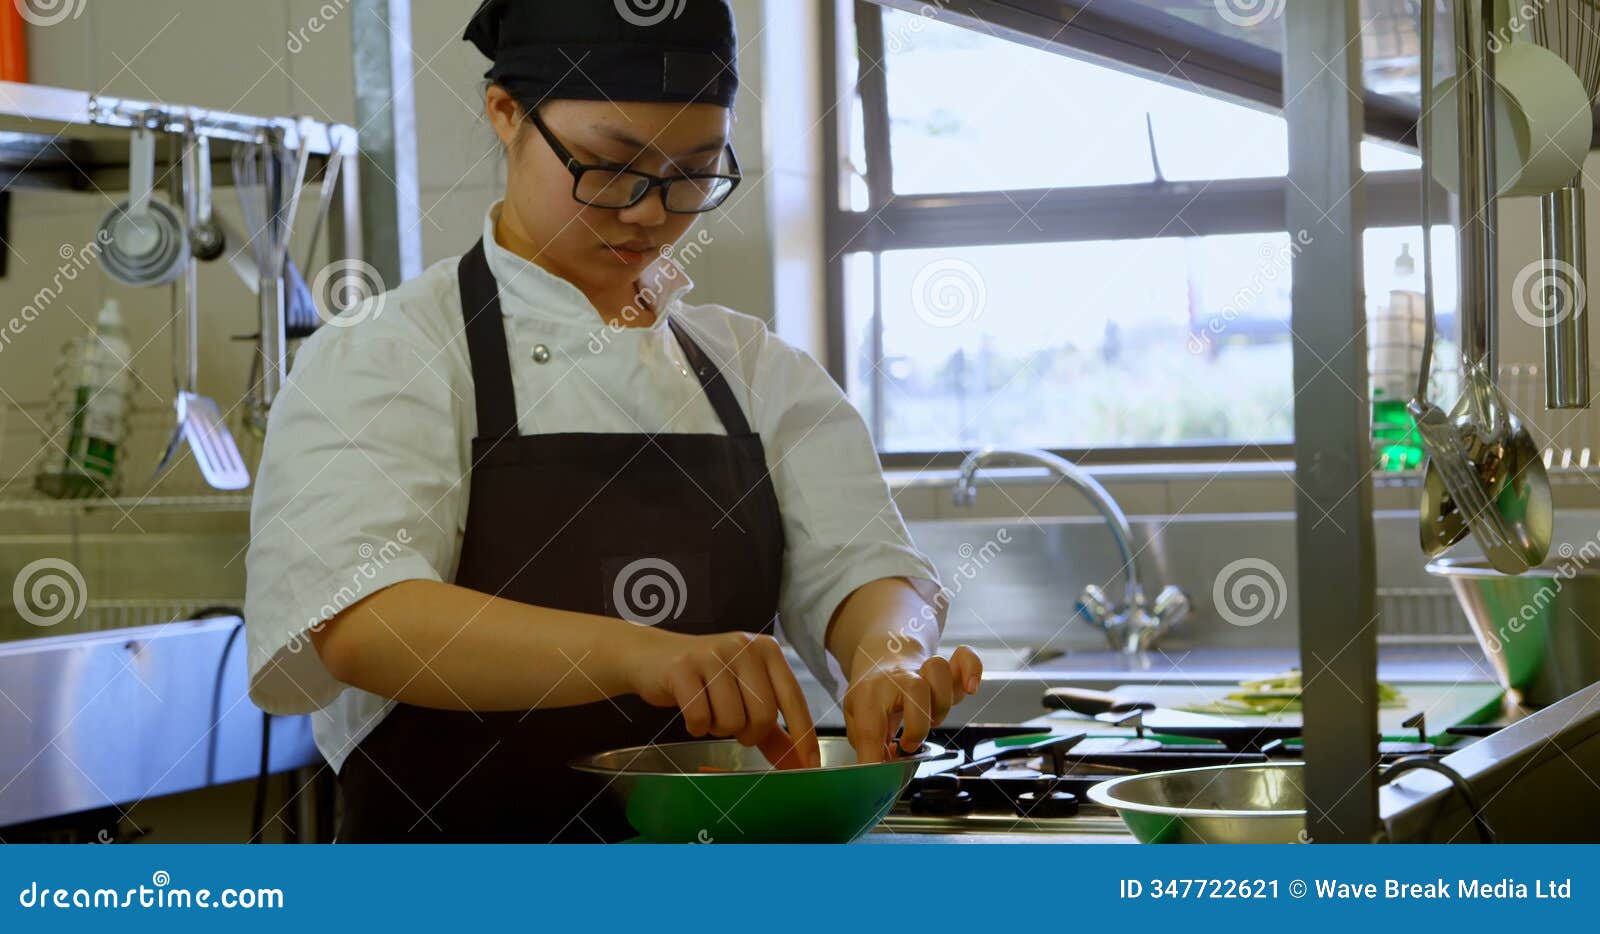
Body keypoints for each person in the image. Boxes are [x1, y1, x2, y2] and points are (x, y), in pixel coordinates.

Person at [244, 0, 981, 842]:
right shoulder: (387, 351)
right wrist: (644, 653)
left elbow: (863, 566)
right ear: (505, 114)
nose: (649, 212)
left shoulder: (756, 370)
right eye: (610, 166)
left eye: (694, 172)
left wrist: (893, 655)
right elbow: (364, 623)